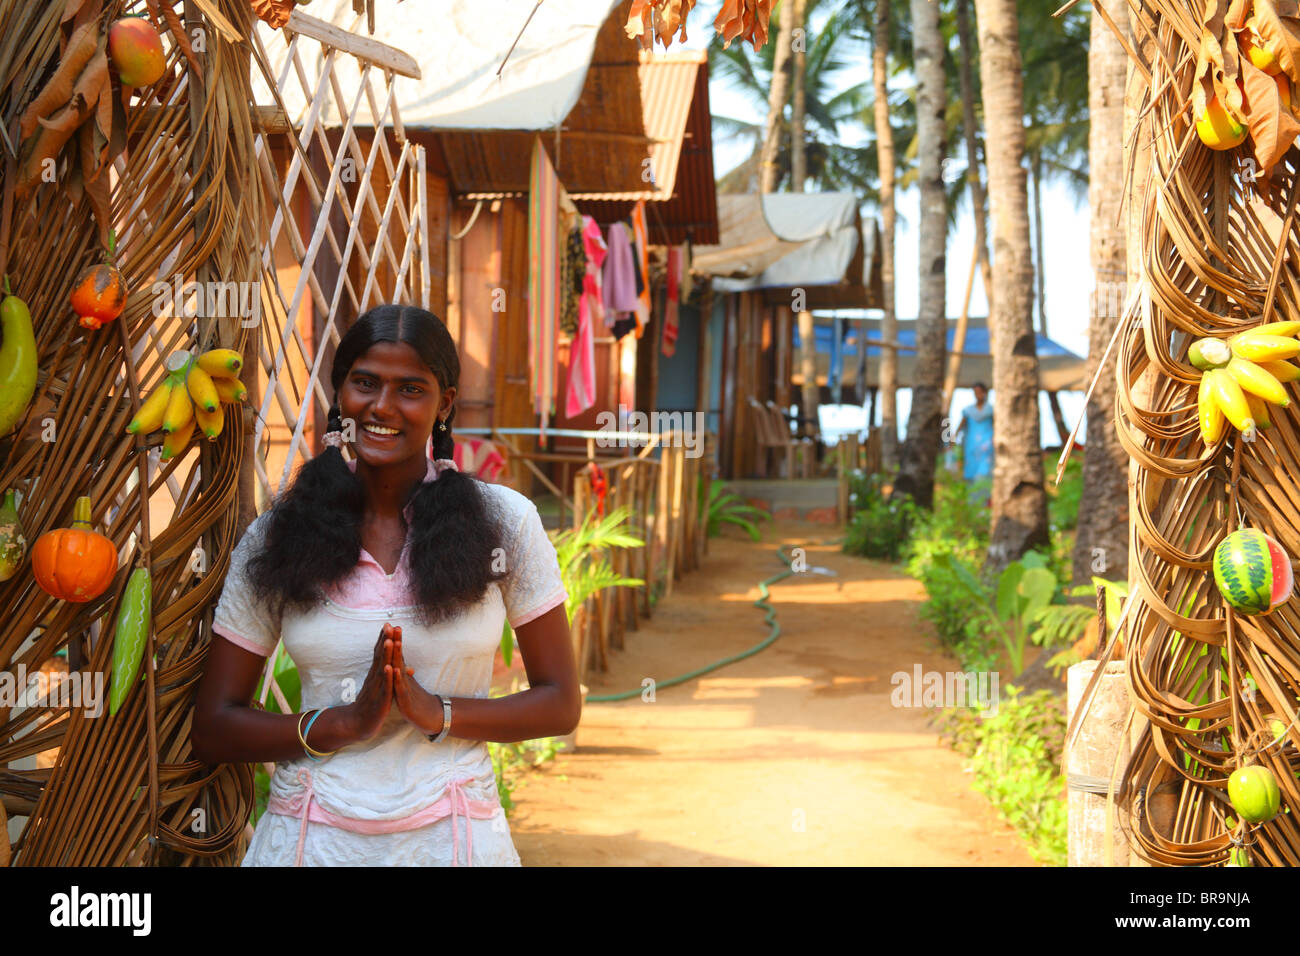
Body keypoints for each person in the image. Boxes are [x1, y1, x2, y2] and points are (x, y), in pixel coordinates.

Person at [191, 305, 579, 866]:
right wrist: (343, 723)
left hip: (454, 842)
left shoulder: (505, 523)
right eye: (365, 383)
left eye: (410, 389)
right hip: (307, 842)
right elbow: (215, 727)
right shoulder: (280, 534)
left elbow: (560, 703)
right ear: (340, 392)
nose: (382, 407)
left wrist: (436, 712)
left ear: (445, 403)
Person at [954, 382, 994, 485]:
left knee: (985, 471)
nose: (978, 395)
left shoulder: (991, 410)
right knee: (971, 470)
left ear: (985, 393)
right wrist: (953, 438)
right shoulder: (968, 411)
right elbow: (961, 425)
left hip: (987, 445)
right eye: (976, 392)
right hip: (971, 444)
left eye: (980, 392)